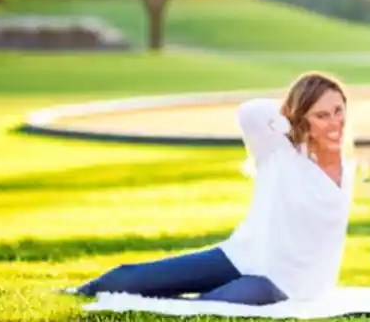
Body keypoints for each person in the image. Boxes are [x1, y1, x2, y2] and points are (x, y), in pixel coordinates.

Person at [70, 72, 354, 305]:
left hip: (279, 283)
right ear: (303, 118)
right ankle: (71, 294)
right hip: (239, 256)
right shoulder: (277, 151)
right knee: (127, 279)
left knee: (204, 307)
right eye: (322, 115)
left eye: (338, 111)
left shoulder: (348, 170)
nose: (335, 123)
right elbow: (250, 112)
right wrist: (291, 118)